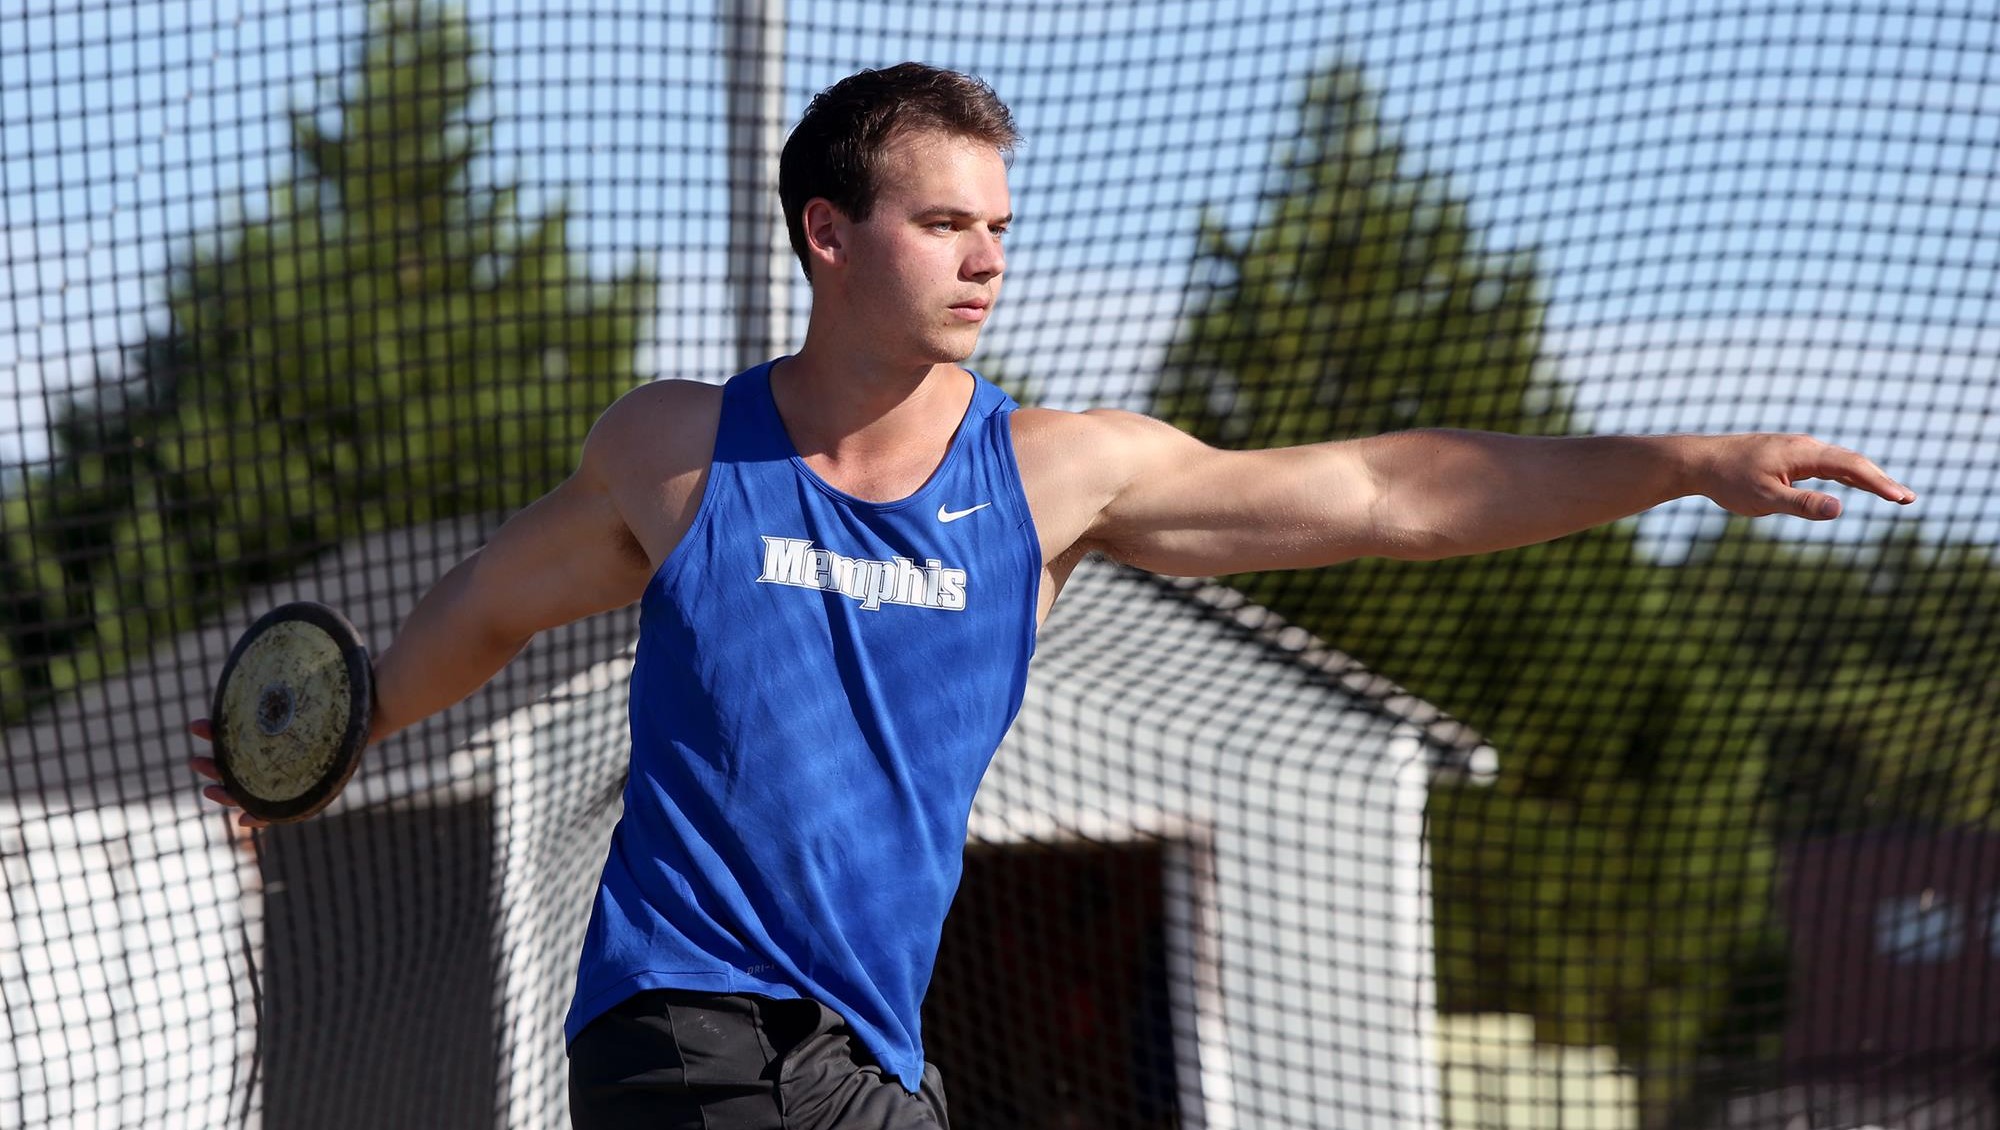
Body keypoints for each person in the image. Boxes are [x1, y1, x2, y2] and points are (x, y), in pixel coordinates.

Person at [190, 62, 1916, 1129]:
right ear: (826, 234)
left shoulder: (1054, 477)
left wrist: (1677, 459)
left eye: (998, 223)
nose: (988, 255)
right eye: (943, 221)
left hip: (860, 1049)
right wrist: (324, 743)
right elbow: (488, 607)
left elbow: (1390, 495)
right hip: (684, 1032)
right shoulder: (677, 457)